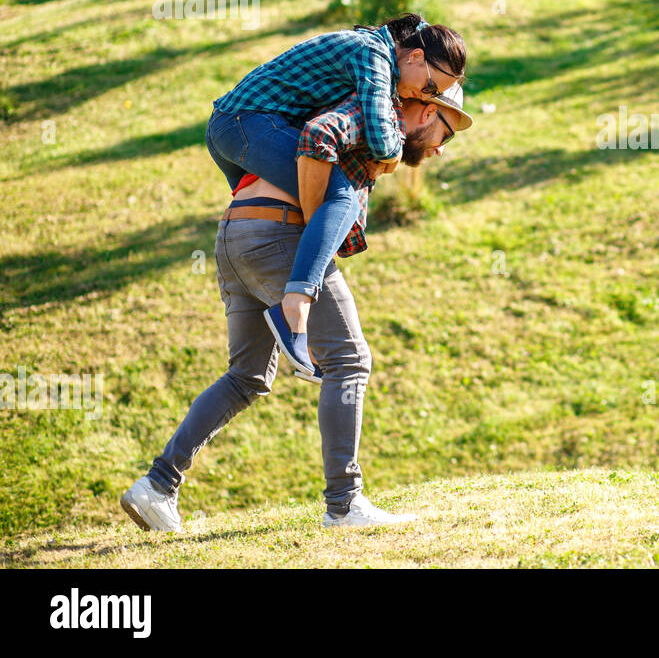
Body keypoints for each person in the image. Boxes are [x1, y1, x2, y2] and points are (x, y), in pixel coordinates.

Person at [119, 89, 473, 530]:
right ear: (424, 109)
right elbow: (319, 138)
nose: (440, 148)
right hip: (277, 235)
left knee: (245, 375)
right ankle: (344, 503)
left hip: (235, 232)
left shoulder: (357, 114)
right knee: (349, 359)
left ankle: (157, 486)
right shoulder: (372, 116)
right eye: (446, 132)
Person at [204, 13, 467, 383]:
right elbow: (381, 139)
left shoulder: (381, 64)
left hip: (236, 130)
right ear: (416, 58)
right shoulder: (373, 56)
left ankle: (291, 316)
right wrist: (393, 154)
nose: (424, 96)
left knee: (319, 205)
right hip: (246, 123)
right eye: (429, 87)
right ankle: (294, 310)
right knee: (339, 197)